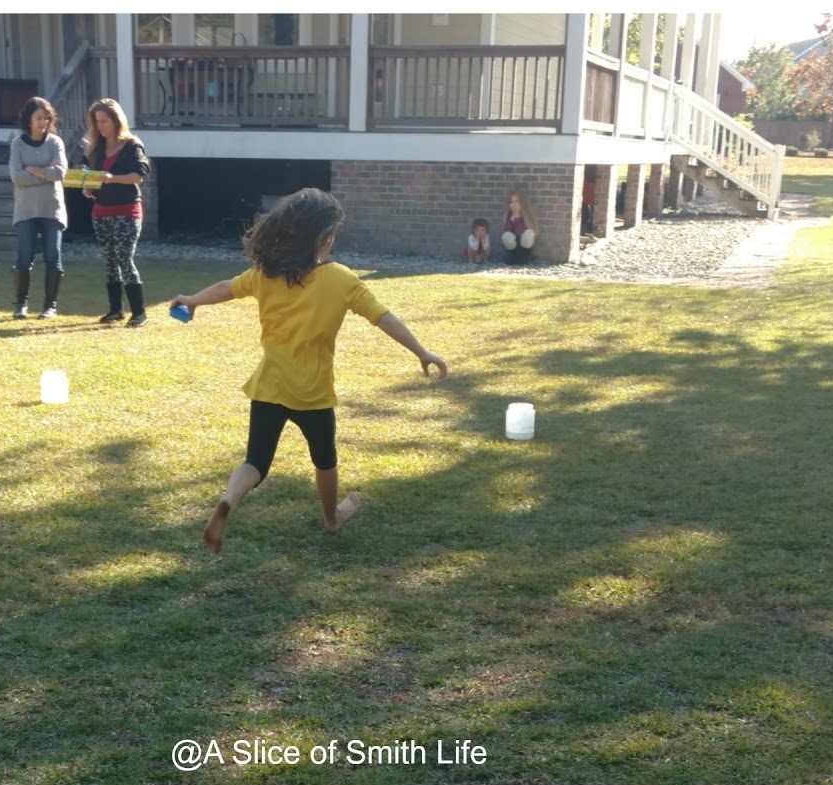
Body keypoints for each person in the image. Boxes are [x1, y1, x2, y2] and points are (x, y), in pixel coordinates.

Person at [168, 188, 448, 554]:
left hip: (269, 388)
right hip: (312, 395)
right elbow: (383, 317)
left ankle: (229, 498)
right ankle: (332, 519)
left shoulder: (265, 275)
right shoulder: (341, 279)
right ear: (323, 239)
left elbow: (226, 288)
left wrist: (191, 300)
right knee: (325, 459)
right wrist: (421, 352)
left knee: (255, 461)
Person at [79, 99, 151, 326]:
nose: (100, 126)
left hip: (127, 209)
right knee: (110, 260)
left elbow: (138, 176)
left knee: (124, 257)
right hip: (101, 210)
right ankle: (115, 310)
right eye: (97, 121)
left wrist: (112, 178)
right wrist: (87, 186)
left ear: (116, 120)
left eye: (104, 121)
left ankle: (139, 313)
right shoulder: (96, 147)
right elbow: (91, 175)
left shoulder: (131, 145)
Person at [8, 97, 67, 319]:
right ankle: (20, 304)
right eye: (38, 118)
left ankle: (50, 305)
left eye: (46, 118)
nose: (43, 122)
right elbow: (17, 177)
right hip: (26, 210)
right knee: (24, 257)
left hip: (52, 209)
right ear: (29, 120)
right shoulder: (18, 144)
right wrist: (45, 174)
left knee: (53, 256)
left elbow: (60, 172)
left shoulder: (55, 143)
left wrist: (32, 169)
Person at [502, 190, 537, 265]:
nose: (514, 204)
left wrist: (517, 217)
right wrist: (512, 219)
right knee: (506, 236)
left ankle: (524, 258)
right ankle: (512, 258)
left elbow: (521, 230)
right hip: (513, 247)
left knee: (529, 233)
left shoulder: (527, 215)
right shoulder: (508, 215)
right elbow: (507, 230)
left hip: (524, 246)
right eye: (511, 202)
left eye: (517, 201)